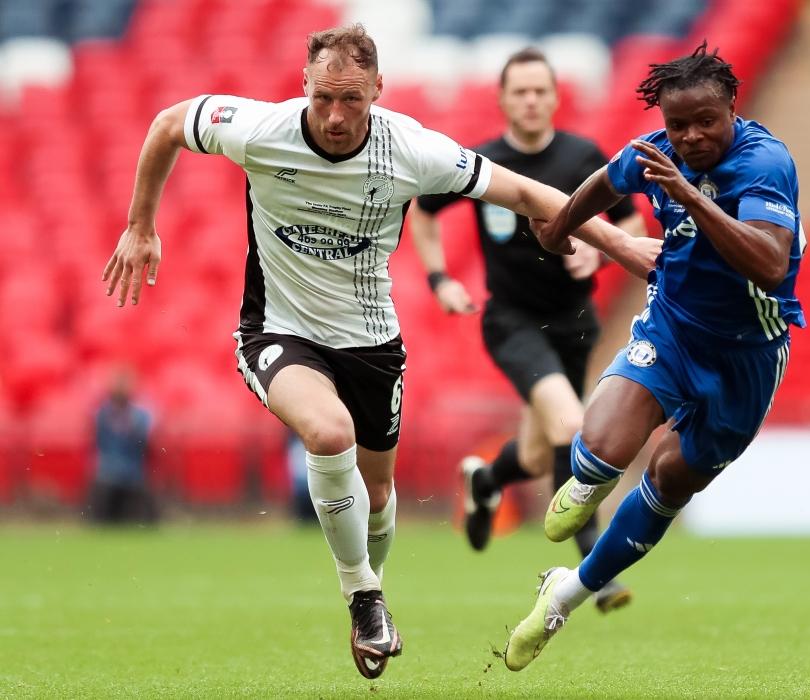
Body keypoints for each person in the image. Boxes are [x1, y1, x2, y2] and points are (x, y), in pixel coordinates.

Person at [100, 24, 659, 680]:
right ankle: (363, 598)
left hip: (372, 344)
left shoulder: (414, 150)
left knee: (379, 489)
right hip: (278, 331)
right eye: (324, 98)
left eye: (353, 101)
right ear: (303, 86)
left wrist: (624, 247)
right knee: (328, 432)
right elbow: (169, 123)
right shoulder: (257, 129)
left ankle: (374, 584)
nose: (336, 116)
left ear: (378, 92)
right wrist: (141, 225)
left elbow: (531, 195)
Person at [501, 42, 806, 671]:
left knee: (669, 481)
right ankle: (587, 480)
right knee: (606, 443)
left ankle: (566, 592)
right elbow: (606, 181)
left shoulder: (765, 164)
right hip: (672, 329)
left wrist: (691, 198)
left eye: (705, 122)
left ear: (731, 110)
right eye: (677, 126)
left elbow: (772, 265)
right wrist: (561, 229)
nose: (690, 137)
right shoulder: (656, 153)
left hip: (747, 358)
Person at [408, 47, 646, 613]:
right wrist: (440, 278)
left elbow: (633, 220)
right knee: (571, 422)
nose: (532, 100)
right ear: (503, 100)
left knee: (541, 457)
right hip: (511, 321)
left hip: (574, 325)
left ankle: (487, 482)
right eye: (521, 91)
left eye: (541, 90)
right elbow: (423, 210)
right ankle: (592, 568)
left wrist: (602, 258)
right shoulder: (482, 163)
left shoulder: (584, 157)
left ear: (556, 97)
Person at [89, 368, 157, 524]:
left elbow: (145, 442)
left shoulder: (140, 415)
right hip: (107, 473)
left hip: (133, 472)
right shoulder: (102, 414)